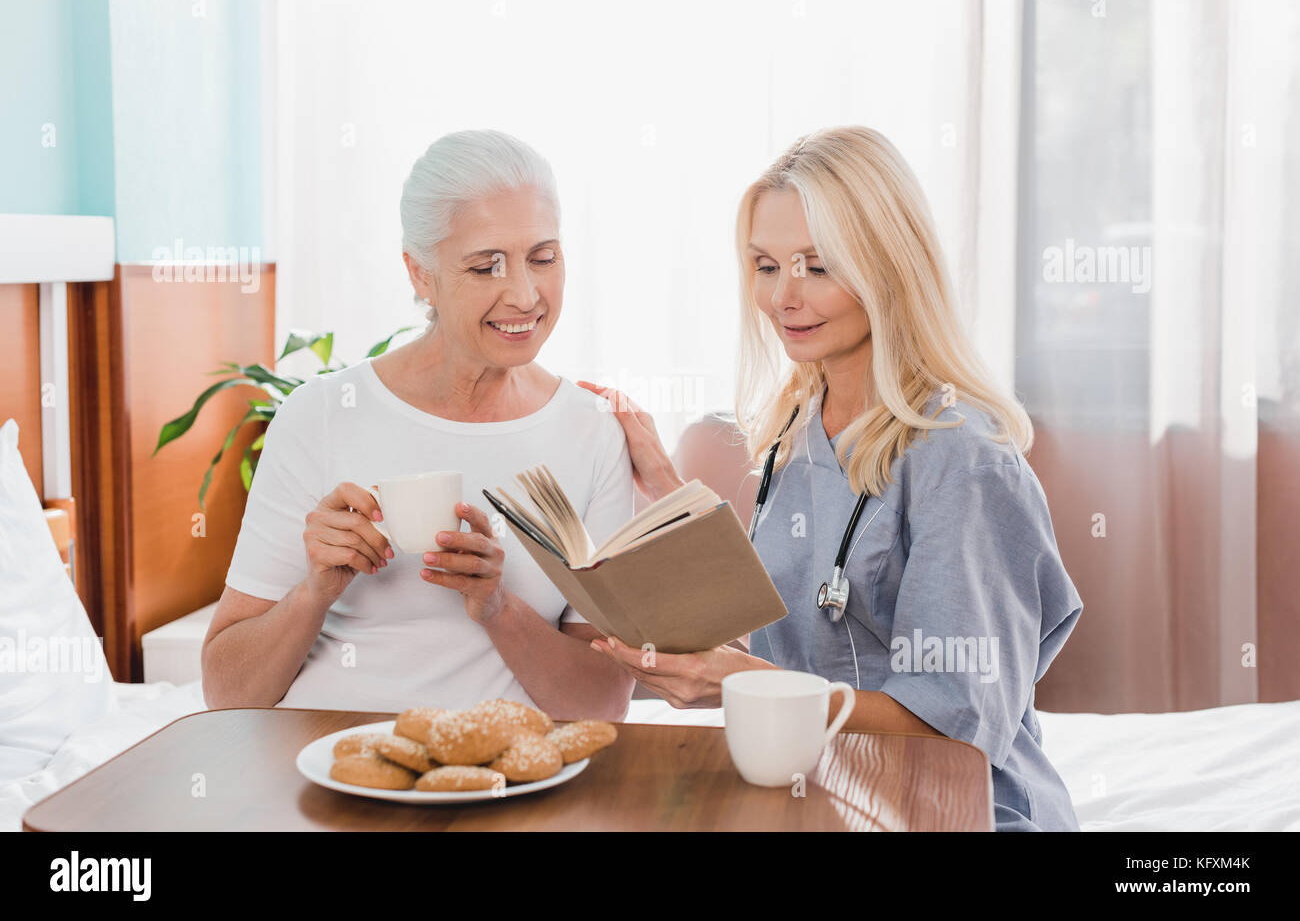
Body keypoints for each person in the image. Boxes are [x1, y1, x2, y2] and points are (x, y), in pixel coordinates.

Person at [580, 126, 1084, 830]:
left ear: (888, 267)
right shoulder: (798, 424)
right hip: (813, 793)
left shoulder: (962, 459)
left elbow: (953, 723)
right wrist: (664, 495)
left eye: (816, 267)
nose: (784, 296)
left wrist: (740, 683)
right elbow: (806, 635)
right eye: (765, 265)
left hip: (948, 808)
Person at [203, 130, 635, 718]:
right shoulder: (321, 414)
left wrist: (498, 608)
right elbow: (227, 694)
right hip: (326, 767)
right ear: (420, 274)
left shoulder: (591, 432)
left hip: (508, 777)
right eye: (487, 267)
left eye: (544, 257)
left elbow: (603, 701)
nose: (525, 294)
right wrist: (314, 592)